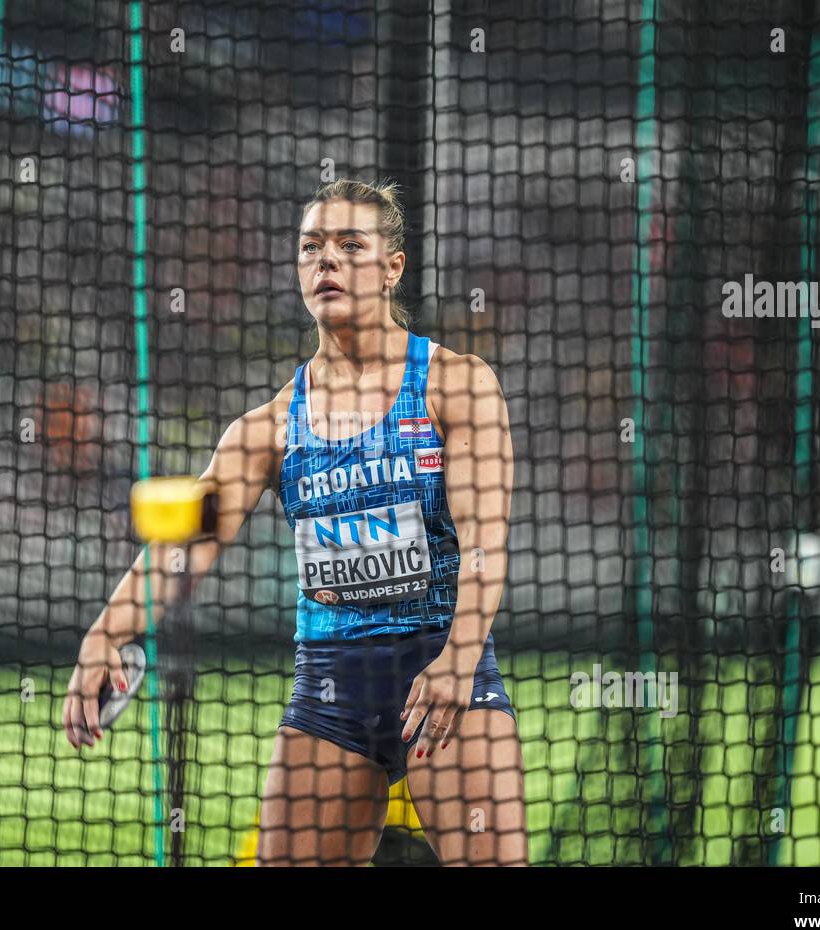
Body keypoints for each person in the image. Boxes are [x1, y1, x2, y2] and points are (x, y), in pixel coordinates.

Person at [64, 179, 526, 865]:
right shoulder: (267, 428)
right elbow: (182, 551)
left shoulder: (454, 386)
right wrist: (106, 634)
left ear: (392, 267)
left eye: (349, 246)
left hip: (442, 665)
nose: (326, 262)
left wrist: (459, 657)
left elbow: (485, 541)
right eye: (311, 248)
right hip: (332, 685)